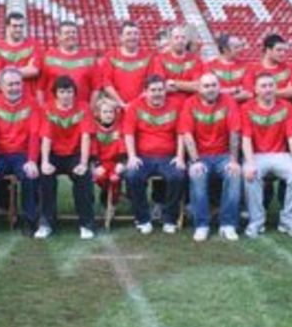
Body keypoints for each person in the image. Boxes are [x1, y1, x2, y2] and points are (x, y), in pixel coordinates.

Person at [240, 73, 292, 239]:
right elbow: (246, 139)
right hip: (257, 155)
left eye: (271, 85)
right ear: (255, 90)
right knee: (251, 175)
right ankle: (256, 221)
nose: (268, 89)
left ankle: (288, 219)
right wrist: (249, 163)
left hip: (280, 154)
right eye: (263, 86)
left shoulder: (286, 106)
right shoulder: (247, 108)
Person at [179, 73, 242, 242]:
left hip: (223, 155)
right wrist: (195, 161)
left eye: (214, 85)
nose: (210, 89)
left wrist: (234, 161)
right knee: (197, 175)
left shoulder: (228, 101)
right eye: (206, 86)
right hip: (200, 155)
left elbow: (234, 133)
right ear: (199, 88)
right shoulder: (190, 103)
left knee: (234, 174)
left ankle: (228, 224)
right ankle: (202, 225)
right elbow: (187, 134)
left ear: (219, 87)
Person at [0, 67, 41, 236]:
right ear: (1, 86)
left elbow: (34, 134)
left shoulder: (32, 103)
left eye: (18, 83)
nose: (15, 88)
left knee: (30, 176)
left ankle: (29, 221)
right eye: (10, 84)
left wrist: (31, 160)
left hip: (22, 154)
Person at [123, 75, 186, 234]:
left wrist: (179, 156)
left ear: (165, 91)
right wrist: (132, 156)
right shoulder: (135, 106)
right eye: (153, 90)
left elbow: (181, 133)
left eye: (160, 90)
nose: (157, 93)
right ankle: (143, 218)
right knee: (132, 175)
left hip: (168, 157)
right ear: (145, 92)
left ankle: (170, 218)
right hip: (143, 157)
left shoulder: (176, 106)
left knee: (177, 176)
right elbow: (129, 133)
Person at [39, 76, 95, 239]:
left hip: (75, 154)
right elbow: (46, 138)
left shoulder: (83, 108)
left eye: (69, 91)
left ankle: (86, 224)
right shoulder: (48, 108)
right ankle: (46, 223)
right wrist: (44, 162)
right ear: (55, 94)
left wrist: (84, 163)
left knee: (83, 177)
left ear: (74, 93)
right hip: (54, 153)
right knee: (45, 177)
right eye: (62, 92)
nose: (65, 95)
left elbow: (86, 137)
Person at [38, 21, 98, 105]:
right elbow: (40, 88)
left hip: (81, 113)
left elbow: (96, 88)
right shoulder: (48, 57)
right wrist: (42, 109)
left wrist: (90, 110)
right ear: (59, 36)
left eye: (74, 32)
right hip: (53, 114)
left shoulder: (89, 58)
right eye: (67, 33)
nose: (71, 35)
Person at [99, 21, 154, 109]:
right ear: (121, 37)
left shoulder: (148, 57)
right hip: (116, 107)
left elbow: (151, 84)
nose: (132, 37)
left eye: (135, 33)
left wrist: (134, 104)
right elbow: (106, 83)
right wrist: (121, 103)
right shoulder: (110, 56)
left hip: (142, 108)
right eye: (128, 33)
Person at [0, 12, 41, 96]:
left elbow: (34, 70)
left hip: (28, 97)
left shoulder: (33, 45)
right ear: (7, 27)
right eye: (15, 26)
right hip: (5, 97)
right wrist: (24, 69)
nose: (18, 29)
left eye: (21, 26)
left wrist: (6, 70)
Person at [149, 25, 201, 106]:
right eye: (176, 38)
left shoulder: (196, 59)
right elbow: (162, 86)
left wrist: (174, 83)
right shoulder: (160, 59)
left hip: (191, 106)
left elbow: (197, 86)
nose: (180, 41)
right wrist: (187, 86)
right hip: (167, 107)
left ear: (187, 41)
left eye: (183, 38)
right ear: (170, 41)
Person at [92, 96, 126, 222]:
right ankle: (106, 200)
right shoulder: (95, 128)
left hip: (116, 162)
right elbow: (93, 148)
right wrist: (96, 164)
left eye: (111, 112)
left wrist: (122, 162)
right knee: (101, 177)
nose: (108, 115)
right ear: (98, 114)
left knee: (115, 178)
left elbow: (123, 146)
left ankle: (112, 203)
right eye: (105, 112)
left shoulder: (119, 126)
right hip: (101, 163)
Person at [244, 33, 292, 99]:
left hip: (285, 107)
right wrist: (284, 91)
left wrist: (264, 92)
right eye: (279, 50)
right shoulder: (252, 70)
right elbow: (251, 93)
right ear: (268, 50)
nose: (283, 53)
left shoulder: (289, 67)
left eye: (284, 50)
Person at [205, 33, 250, 102]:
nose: (240, 50)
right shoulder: (210, 66)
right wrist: (236, 89)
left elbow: (247, 92)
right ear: (225, 49)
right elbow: (210, 92)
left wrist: (223, 94)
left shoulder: (245, 66)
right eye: (236, 47)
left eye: (240, 46)